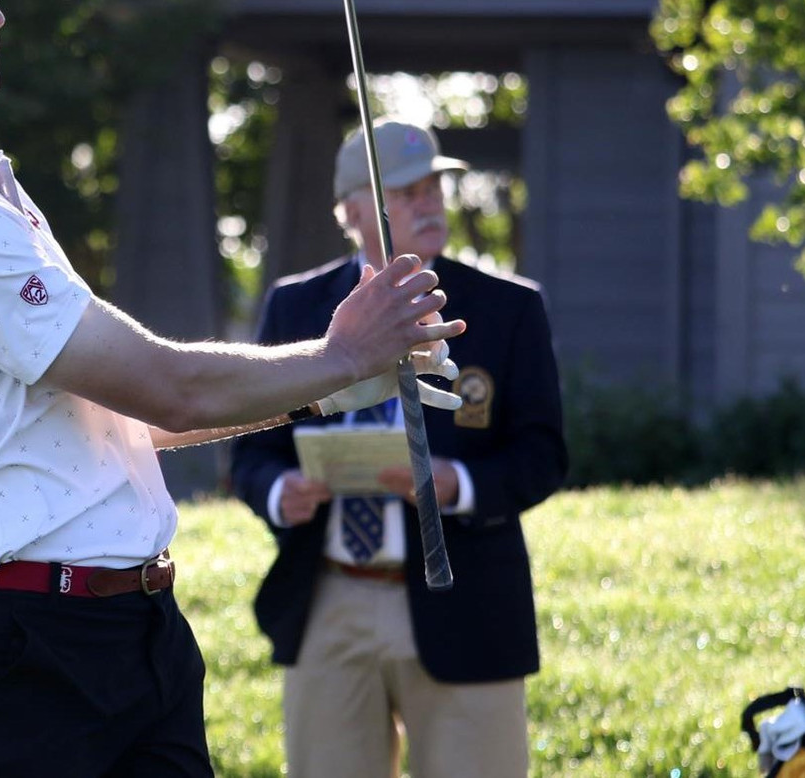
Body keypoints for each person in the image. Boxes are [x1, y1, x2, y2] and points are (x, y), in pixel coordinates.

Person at [0, 0, 464, 777]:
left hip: (119, 635)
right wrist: (342, 352)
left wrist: (353, 375)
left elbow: (120, 418)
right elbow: (169, 387)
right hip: (26, 667)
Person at [229, 119, 569, 778]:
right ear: (353, 209)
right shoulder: (294, 307)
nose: (430, 203)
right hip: (329, 595)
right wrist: (278, 492)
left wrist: (456, 486)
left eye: (435, 187)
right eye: (406, 192)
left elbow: (543, 456)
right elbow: (252, 449)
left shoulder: (508, 309)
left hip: (465, 597)